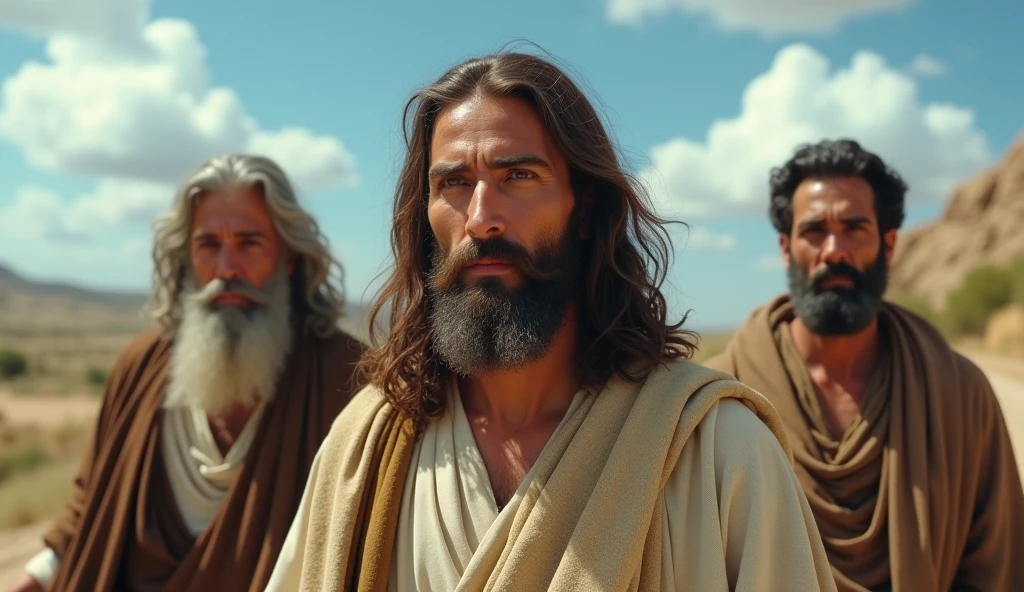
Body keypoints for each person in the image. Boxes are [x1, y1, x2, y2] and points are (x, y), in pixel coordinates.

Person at [265, 52, 836, 591]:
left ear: (584, 208)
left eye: (518, 177)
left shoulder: (716, 449)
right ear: (427, 216)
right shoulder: (364, 449)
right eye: (454, 184)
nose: (482, 220)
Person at [8, 154, 367, 592]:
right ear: (186, 256)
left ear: (289, 257)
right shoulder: (140, 367)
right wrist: (37, 576)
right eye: (209, 245)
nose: (226, 270)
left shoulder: (348, 378)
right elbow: (91, 501)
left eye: (249, 243)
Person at [705, 139, 1024, 591]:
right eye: (814, 230)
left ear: (888, 243)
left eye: (855, 227)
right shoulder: (723, 396)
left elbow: (997, 567)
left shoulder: (960, 392)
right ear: (784, 246)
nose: (834, 250)